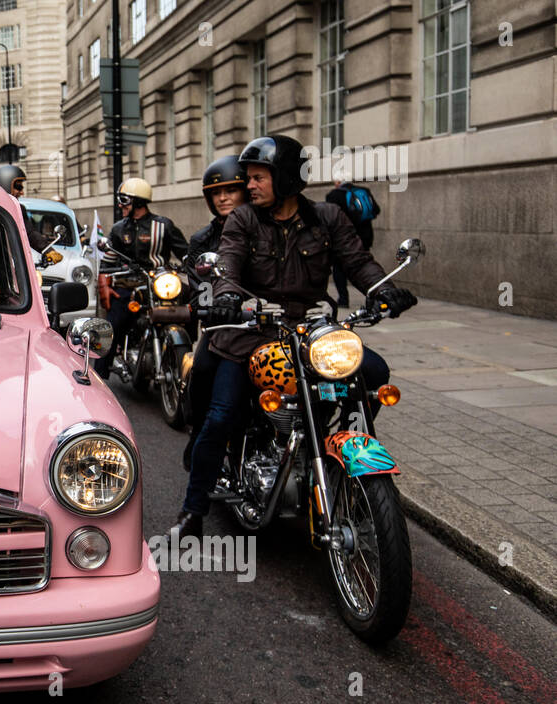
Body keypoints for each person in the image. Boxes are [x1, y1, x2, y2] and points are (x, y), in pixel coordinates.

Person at [172, 134, 416, 539]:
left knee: (373, 371)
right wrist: (229, 297)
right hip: (250, 333)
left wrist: (382, 291)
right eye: (247, 178)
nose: (248, 186)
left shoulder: (327, 218)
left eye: (257, 178)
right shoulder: (244, 219)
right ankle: (192, 512)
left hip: (309, 330)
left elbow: (358, 262)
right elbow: (229, 260)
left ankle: (335, 454)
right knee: (219, 419)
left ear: (285, 178)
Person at [181, 156, 250, 469]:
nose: (223, 197)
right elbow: (198, 285)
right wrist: (209, 304)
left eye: (231, 190)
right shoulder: (201, 240)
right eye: (216, 192)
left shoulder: (260, 228)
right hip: (222, 327)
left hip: (263, 322)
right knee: (203, 370)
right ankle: (199, 433)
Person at [93, 177, 189, 380]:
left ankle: (185, 354)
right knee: (113, 325)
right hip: (128, 286)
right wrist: (105, 285)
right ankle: (98, 377)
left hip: (158, 285)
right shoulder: (119, 229)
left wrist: (190, 265)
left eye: (124, 200)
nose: (120, 205)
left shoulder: (164, 226)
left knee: (187, 310)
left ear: (138, 202)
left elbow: (186, 253)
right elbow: (107, 262)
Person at [325, 167, 381, 307]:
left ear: (338, 181)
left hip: (343, 238)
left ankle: (343, 300)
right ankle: (372, 297)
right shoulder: (363, 191)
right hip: (365, 237)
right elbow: (376, 210)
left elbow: (331, 218)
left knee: (339, 269)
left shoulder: (334, 195)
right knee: (364, 267)